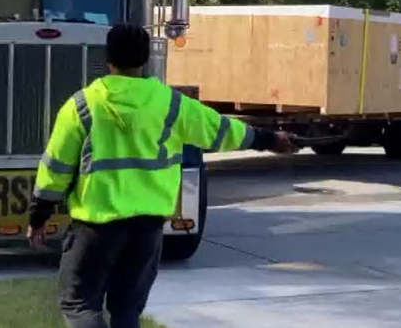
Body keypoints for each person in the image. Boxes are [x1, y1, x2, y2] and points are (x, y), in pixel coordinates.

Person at [27, 23, 296, 328]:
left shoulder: (82, 105)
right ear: (145, 60)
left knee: (79, 304)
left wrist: (39, 215)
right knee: (127, 311)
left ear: (108, 58)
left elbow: (56, 168)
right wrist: (268, 140)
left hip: (96, 227)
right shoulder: (171, 104)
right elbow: (220, 130)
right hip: (148, 229)